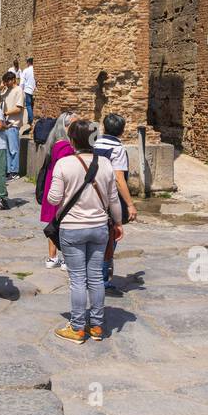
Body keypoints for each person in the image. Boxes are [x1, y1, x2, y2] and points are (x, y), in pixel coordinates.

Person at [46, 119, 121, 343]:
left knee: (78, 279)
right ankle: (97, 326)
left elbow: (53, 198)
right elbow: (113, 199)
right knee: (96, 277)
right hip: (99, 227)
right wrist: (118, 223)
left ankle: (78, 327)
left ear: (72, 140)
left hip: (72, 227)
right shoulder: (106, 164)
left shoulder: (64, 164)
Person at [93, 113, 137, 295]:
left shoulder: (94, 144)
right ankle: (102, 278)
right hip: (110, 199)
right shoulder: (118, 149)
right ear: (122, 130)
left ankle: (92, 274)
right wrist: (130, 204)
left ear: (104, 128)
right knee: (111, 238)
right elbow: (119, 178)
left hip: (92, 195)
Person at [38, 112, 77, 268]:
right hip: (61, 185)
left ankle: (52, 257)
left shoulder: (55, 143)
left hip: (52, 183)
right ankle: (67, 259)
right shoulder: (66, 147)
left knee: (53, 221)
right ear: (66, 127)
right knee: (63, 222)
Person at [1, 70, 24, 178]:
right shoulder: (7, 90)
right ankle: (9, 170)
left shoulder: (19, 90)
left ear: (13, 80)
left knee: (13, 149)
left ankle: (15, 171)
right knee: (7, 149)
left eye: (7, 81)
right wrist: (1, 88)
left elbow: (19, 108)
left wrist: (5, 113)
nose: (6, 83)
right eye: (4, 82)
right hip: (6, 123)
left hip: (14, 123)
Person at [20, 57, 36, 127]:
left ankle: (31, 120)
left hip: (27, 90)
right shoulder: (35, 70)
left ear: (28, 63)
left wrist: (20, 91)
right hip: (35, 90)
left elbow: (22, 82)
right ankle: (30, 120)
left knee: (28, 105)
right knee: (33, 105)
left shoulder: (26, 70)